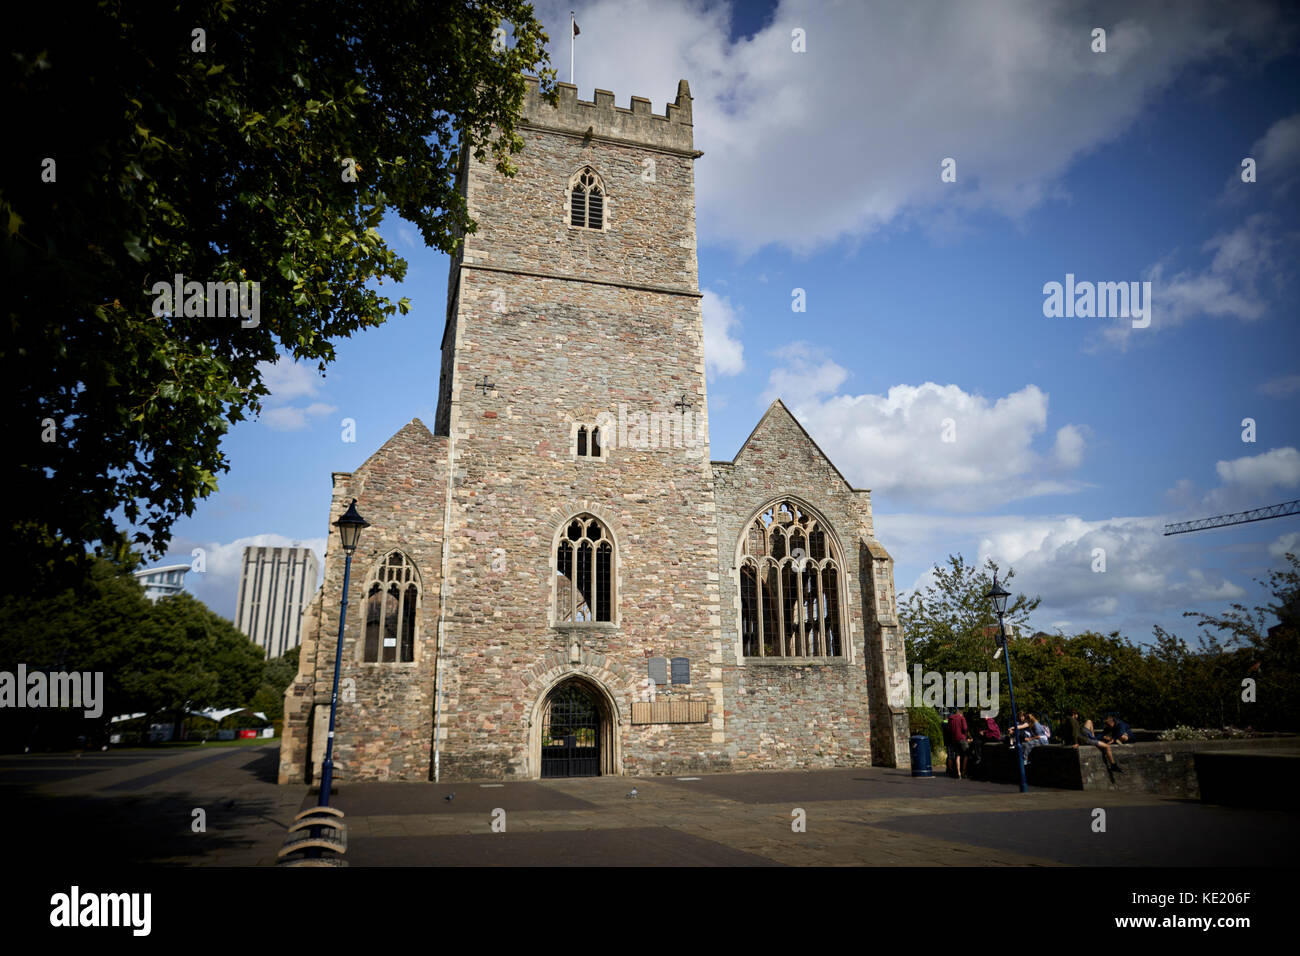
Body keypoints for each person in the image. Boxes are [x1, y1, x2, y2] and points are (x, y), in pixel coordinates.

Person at [1066, 708, 1123, 773]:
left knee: (1089, 721)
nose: (1077, 716)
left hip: (1084, 734)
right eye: (1077, 714)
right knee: (1107, 746)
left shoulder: (1068, 720)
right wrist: (1075, 743)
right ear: (1074, 714)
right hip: (1084, 739)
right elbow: (1074, 732)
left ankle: (1093, 737)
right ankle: (1113, 765)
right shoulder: (1073, 721)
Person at [948, 708, 970, 780]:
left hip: (954, 740)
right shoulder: (962, 718)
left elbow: (949, 730)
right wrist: (967, 736)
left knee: (958, 756)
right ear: (961, 714)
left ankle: (958, 773)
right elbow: (965, 728)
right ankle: (963, 772)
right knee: (966, 754)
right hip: (962, 738)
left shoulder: (950, 719)